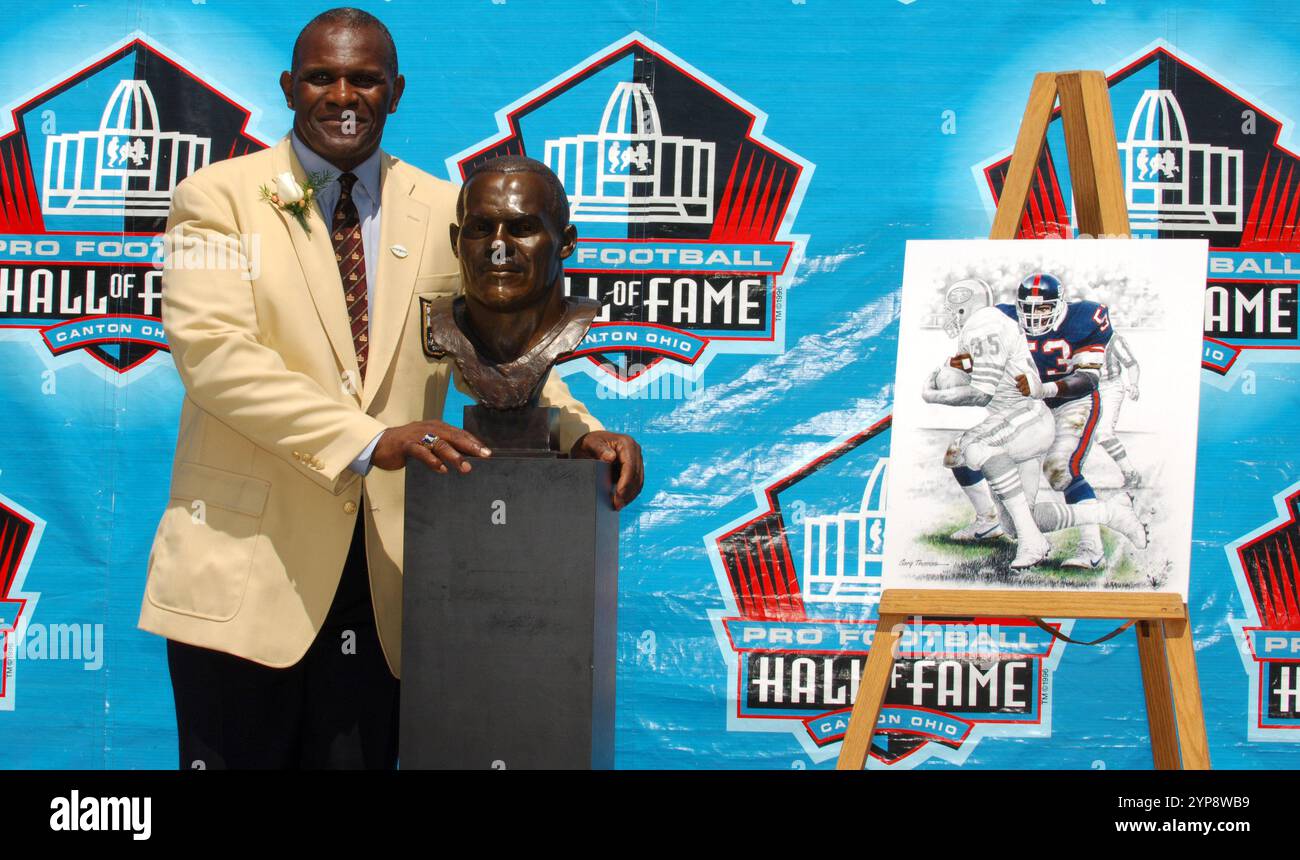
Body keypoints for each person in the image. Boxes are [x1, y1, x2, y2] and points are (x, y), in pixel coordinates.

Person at [138, 7, 643, 769]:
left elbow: (499, 343)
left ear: (397, 91)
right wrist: (370, 440)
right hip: (245, 580)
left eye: (365, 79)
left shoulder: (449, 211)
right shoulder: (217, 201)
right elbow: (214, 355)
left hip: (389, 589)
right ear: (288, 87)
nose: (344, 95)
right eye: (322, 77)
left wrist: (577, 430)